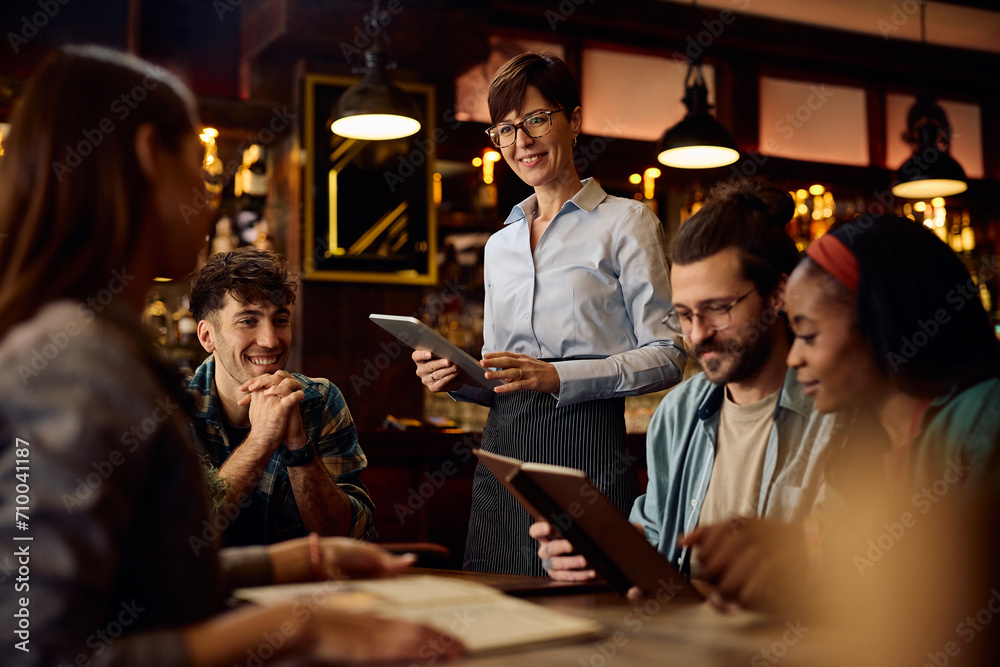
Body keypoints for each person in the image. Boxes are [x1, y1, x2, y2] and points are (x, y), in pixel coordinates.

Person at [0, 46, 462, 666]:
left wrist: (296, 560)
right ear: (147, 156)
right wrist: (301, 627)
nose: (208, 191)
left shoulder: (87, 342)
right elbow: (33, 648)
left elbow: (142, 584)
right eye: (201, 165)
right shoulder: (71, 363)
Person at [413, 53, 686, 576]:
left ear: (575, 120)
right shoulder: (500, 244)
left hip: (586, 448)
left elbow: (668, 356)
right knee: (498, 605)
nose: (522, 141)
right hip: (503, 452)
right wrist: (456, 377)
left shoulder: (626, 222)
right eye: (506, 129)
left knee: (584, 609)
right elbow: (502, 377)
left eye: (537, 119)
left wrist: (557, 375)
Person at [531, 179, 849, 587]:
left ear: (778, 295)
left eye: (717, 310)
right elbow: (656, 539)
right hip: (681, 639)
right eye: (683, 314)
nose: (697, 335)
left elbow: (859, 569)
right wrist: (597, 551)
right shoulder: (678, 412)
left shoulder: (837, 413)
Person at [681, 213, 1000, 611]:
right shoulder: (861, 443)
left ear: (882, 321)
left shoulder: (983, 417)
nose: (795, 357)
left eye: (809, 335)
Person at [187, 247, 375, 546]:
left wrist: (298, 448)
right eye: (248, 321)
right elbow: (182, 536)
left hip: (301, 592)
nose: (270, 340)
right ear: (207, 336)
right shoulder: (170, 407)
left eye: (280, 320)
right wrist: (261, 439)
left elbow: (349, 536)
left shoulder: (320, 399)